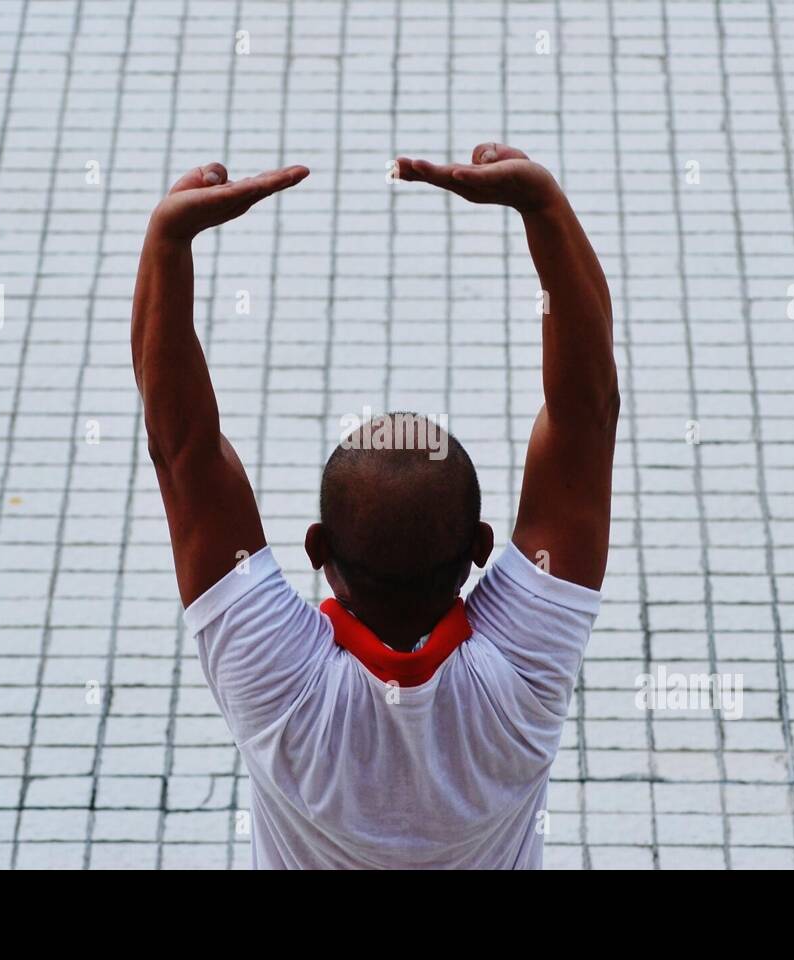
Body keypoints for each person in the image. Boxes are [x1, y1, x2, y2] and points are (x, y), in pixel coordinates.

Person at [131, 143, 619, 868]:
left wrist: (168, 242)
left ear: (318, 550)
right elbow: (586, 417)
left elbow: (183, 452)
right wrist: (542, 206)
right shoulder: (523, 671)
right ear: (482, 548)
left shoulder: (277, 681)